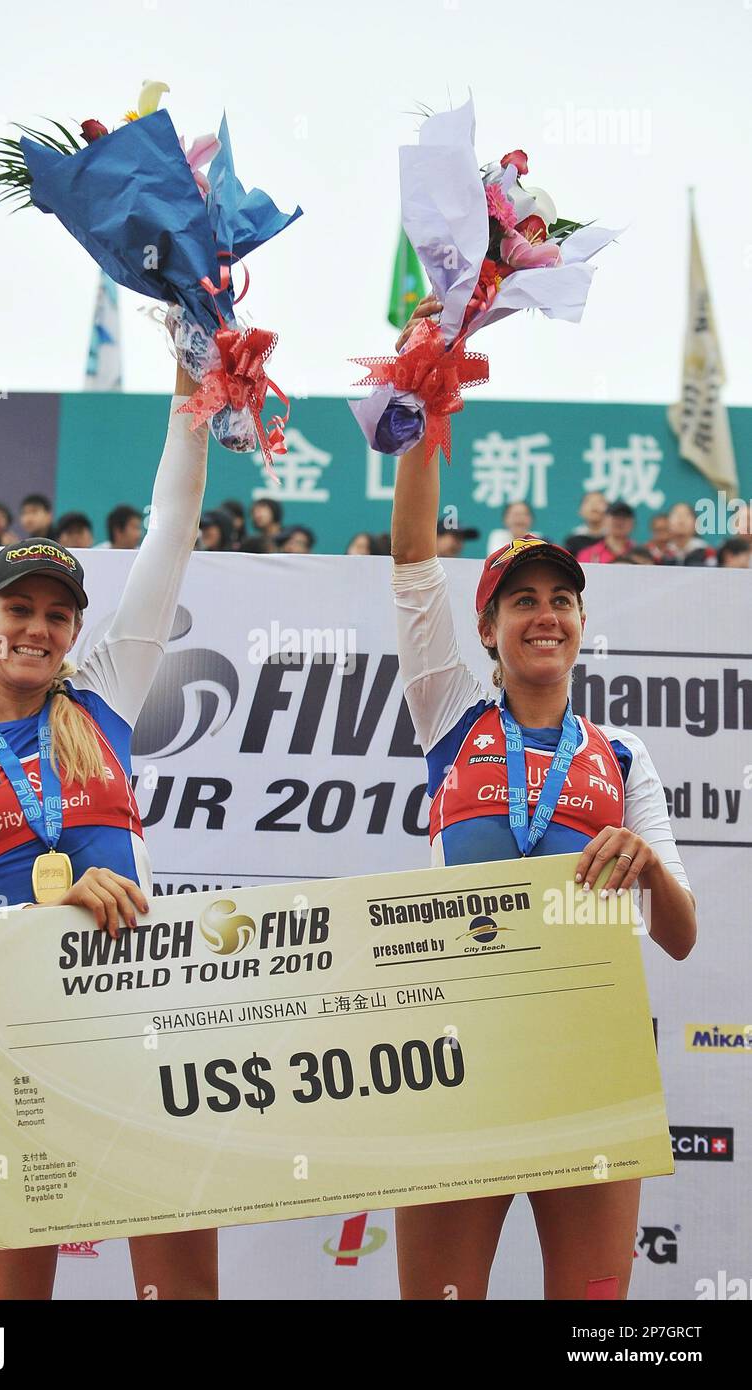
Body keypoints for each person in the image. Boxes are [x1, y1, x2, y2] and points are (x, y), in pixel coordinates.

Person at [0, 353, 217, 1301]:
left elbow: (174, 528)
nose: (36, 628)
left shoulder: (105, 699)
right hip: (11, 1046)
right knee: (2, 1313)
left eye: (58, 615)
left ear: (76, 633)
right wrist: (53, 912)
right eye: (18, 609)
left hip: (143, 1034)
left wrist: (193, 378)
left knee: (180, 1298)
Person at [388, 296, 696, 1301]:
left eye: (560, 598)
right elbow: (408, 563)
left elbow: (682, 937)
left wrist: (646, 866)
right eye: (520, 599)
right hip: (452, 1048)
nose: (544, 614)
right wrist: (428, 401)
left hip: (590, 1053)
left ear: (578, 621)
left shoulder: (620, 754)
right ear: (486, 629)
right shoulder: (446, 714)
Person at [663, 502, 717, 566]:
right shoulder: (662, 552)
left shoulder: (707, 552)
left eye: (687, 515)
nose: (681, 520)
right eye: (676, 515)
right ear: (667, 523)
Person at [561, 491, 607, 557]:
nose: (594, 506)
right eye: (589, 502)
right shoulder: (572, 541)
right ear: (580, 511)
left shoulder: (614, 539)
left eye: (599, 502)